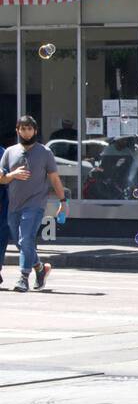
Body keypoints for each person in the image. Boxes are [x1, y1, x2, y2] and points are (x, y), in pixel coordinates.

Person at [0, 115, 67, 293]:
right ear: (17, 130)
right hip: (14, 206)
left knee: (26, 239)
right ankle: (40, 268)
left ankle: (23, 277)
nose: (26, 132)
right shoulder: (9, 152)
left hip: (35, 205)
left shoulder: (45, 152)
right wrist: (12, 175)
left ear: (35, 131)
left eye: (30, 128)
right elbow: (2, 179)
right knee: (22, 243)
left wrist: (63, 201)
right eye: (23, 128)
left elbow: (54, 178)